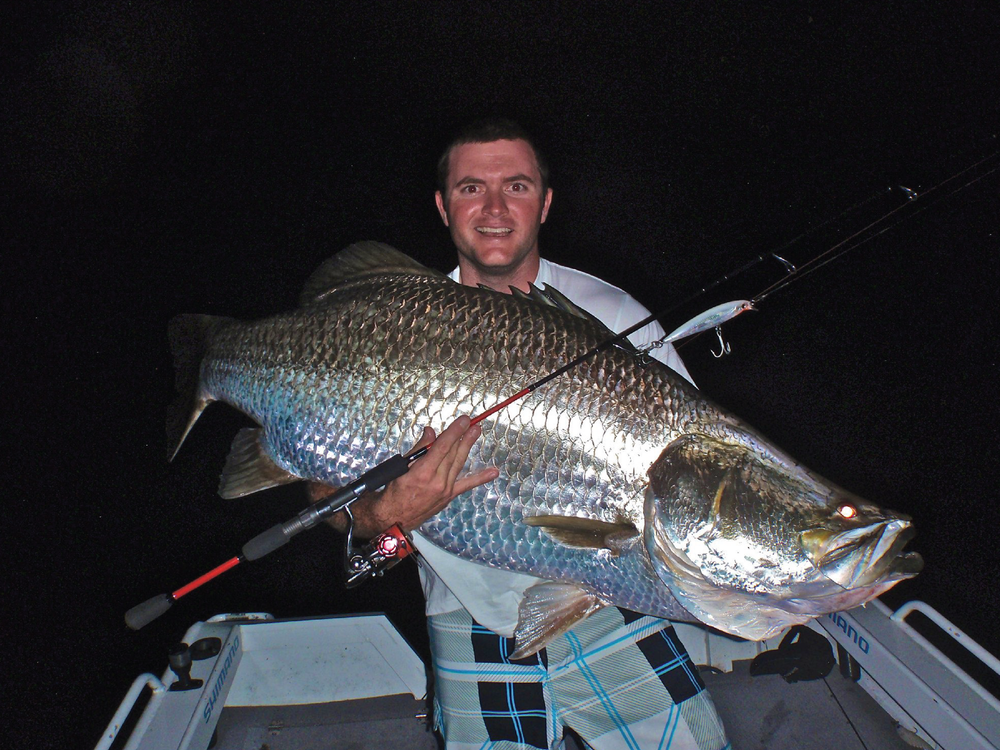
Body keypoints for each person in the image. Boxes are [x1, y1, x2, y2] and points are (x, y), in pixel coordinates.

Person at [326, 119, 729, 750]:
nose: (493, 208)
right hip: (465, 604)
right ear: (443, 206)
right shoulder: (391, 323)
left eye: (515, 186)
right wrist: (381, 513)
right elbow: (321, 488)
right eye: (469, 188)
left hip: (606, 591)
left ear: (544, 202)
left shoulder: (616, 316)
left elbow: (701, 471)